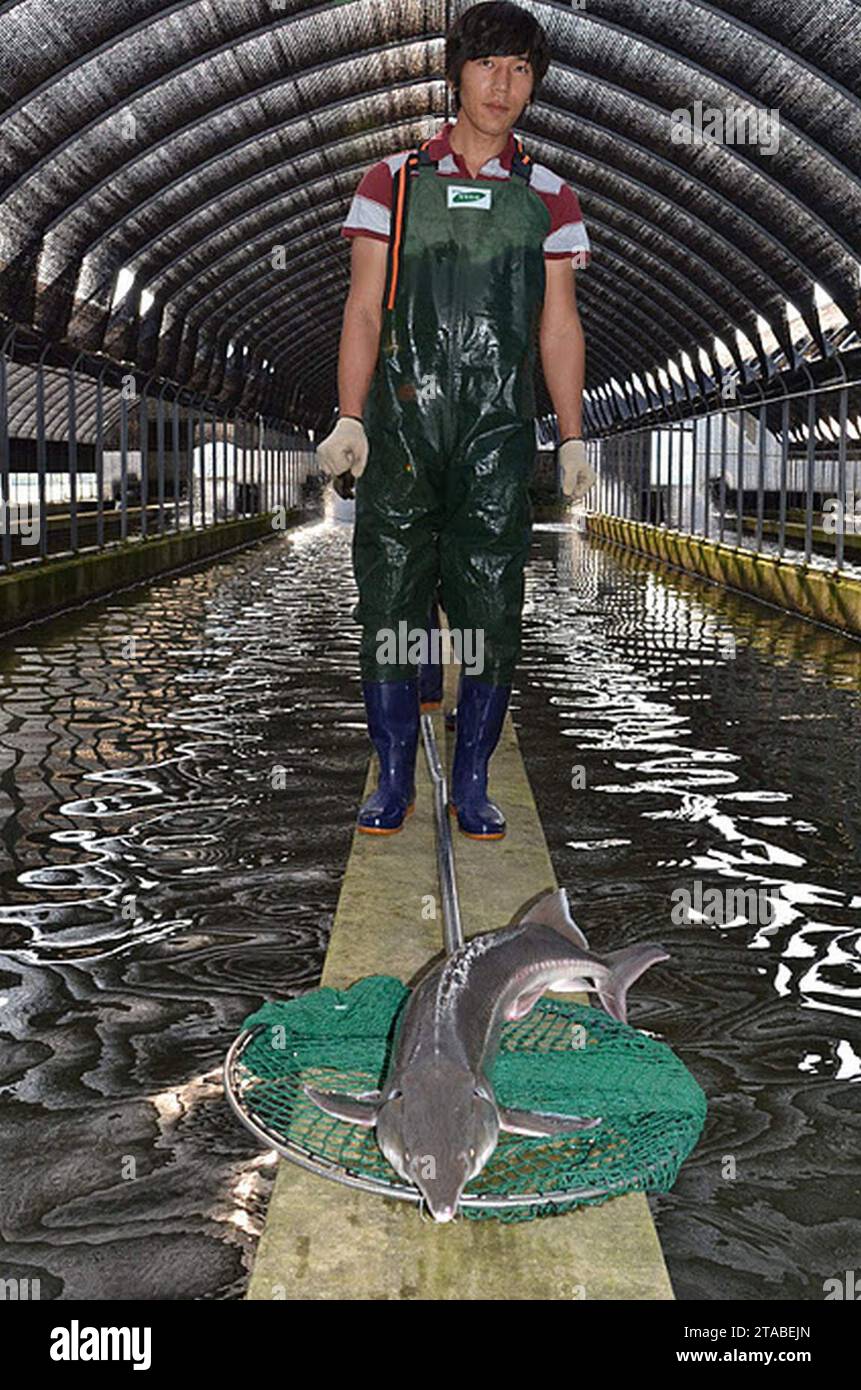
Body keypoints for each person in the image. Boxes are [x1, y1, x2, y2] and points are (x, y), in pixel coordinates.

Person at [317, 0, 594, 840]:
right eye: (486, 65)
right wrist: (351, 417)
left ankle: (470, 779)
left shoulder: (548, 197)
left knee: (490, 604)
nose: (501, 86)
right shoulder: (392, 182)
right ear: (454, 74)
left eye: (520, 70)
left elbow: (557, 324)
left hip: (494, 437)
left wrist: (571, 433)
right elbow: (362, 308)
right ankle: (395, 776)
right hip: (401, 432)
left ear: (534, 85)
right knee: (390, 600)